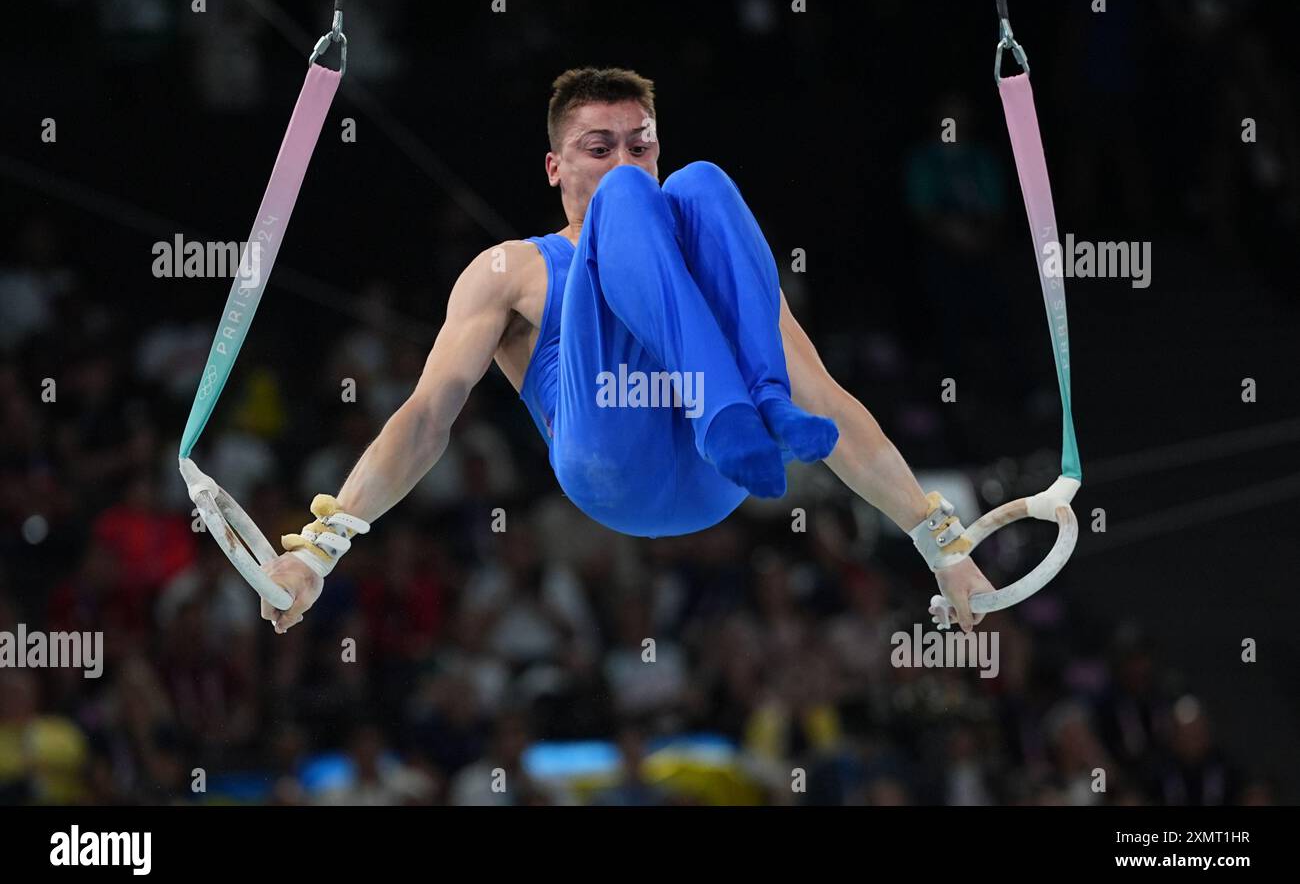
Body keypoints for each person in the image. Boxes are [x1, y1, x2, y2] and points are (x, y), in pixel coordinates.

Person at [260, 67, 993, 635]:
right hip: (608, 461)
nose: (625, 160)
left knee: (703, 184)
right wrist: (324, 545)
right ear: (554, 167)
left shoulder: (703, 246)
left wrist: (942, 546)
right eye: (598, 148)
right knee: (628, 205)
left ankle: (747, 404)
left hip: (721, 475)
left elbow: (829, 404)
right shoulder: (512, 270)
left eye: (640, 145)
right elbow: (426, 417)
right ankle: (729, 404)